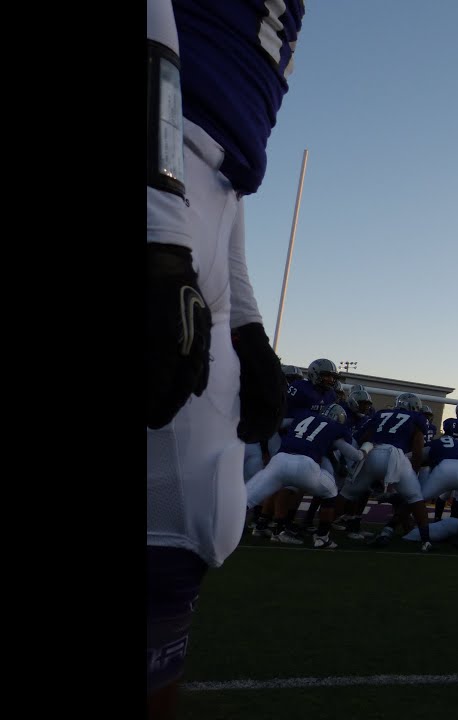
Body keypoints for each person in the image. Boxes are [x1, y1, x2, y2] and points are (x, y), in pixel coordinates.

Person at [147, 0, 300, 716]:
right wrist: (159, 231)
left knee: (194, 519)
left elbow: (226, 163)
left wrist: (246, 323)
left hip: (200, 193)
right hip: (161, 174)